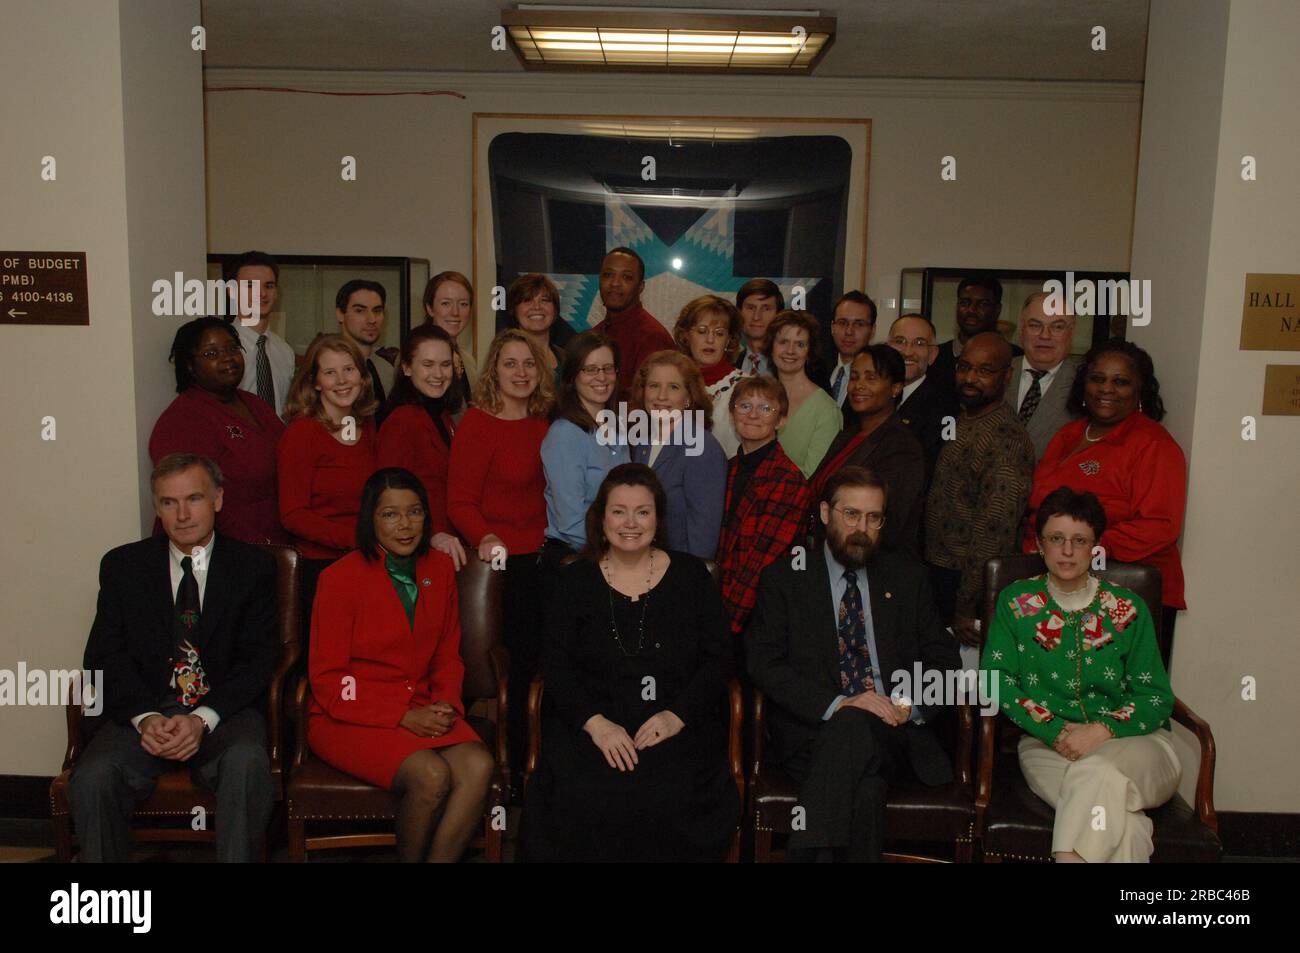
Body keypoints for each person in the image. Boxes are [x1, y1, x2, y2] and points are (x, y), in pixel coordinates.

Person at [521, 464, 739, 862]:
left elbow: (719, 658)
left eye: (643, 511)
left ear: (658, 518)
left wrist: (676, 716)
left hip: (674, 724)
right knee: (585, 794)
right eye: (619, 511)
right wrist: (597, 724)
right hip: (593, 725)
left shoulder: (691, 576)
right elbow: (555, 663)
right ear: (601, 518)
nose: (631, 523)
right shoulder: (574, 581)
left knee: (666, 795)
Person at [747, 466, 962, 862]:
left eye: (873, 517)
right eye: (852, 515)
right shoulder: (785, 579)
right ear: (827, 514)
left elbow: (945, 664)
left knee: (856, 730)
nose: (862, 528)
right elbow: (763, 662)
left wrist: (903, 705)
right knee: (866, 792)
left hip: (892, 734)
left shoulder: (908, 577)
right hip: (812, 732)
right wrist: (839, 704)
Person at [70, 454, 278, 862]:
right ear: (157, 508)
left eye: (194, 498)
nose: (182, 514)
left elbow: (259, 659)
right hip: (144, 714)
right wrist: (144, 718)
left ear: (218, 499)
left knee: (246, 765)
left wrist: (203, 718)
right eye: (168, 502)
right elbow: (104, 655)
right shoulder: (123, 566)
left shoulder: (253, 566)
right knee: (94, 777)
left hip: (223, 713)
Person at [983, 486, 1179, 863]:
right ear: (1040, 545)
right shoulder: (1016, 603)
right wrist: (1055, 730)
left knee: (1096, 773)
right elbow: (996, 680)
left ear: (1095, 547)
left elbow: (1155, 696)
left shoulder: (1127, 608)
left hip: (1139, 746)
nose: (1068, 551)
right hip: (1049, 747)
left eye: (1079, 540)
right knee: (1124, 823)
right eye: (1057, 539)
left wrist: (1101, 730)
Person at [308, 468, 495, 862]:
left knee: (478, 765)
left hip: (424, 704)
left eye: (415, 512)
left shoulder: (440, 568)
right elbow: (329, 680)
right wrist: (399, 716)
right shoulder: (338, 579)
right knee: (431, 775)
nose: (405, 525)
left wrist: (445, 704)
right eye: (390, 514)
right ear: (370, 519)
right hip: (348, 716)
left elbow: (447, 652)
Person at [1023, 340, 1186, 664]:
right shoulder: (1069, 434)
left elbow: (1159, 526)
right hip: (1058, 584)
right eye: (1098, 378)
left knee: (1111, 698)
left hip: (1126, 593)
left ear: (1140, 389)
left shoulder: (1153, 444)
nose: (1106, 389)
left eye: (1120, 381)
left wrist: (1080, 549)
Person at [447, 329, 553, 783]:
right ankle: (509, 774)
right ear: (494, 370)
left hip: (547, 558)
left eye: (529, 363)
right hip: (499, 567)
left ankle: (542, 766)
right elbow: (459, 502)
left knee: (542, 673)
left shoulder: (549, 422)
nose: (521, 372)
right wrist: (487, 539)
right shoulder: (478, 422)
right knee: (506, 675)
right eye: (510, 363)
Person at [924, 332, 1035, 647]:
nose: (971, 378)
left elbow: (994, 532)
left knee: (963, 688)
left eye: (985, 371)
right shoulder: (966, 418)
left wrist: (967, 607)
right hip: (941, 575)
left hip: (965, 584)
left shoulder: (1006, 439)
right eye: (964, 367)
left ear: (1007, 376)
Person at [149, 317, 287, 546]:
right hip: (224, 554)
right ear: (190, 366)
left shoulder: (254, 403)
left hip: (275, 545)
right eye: (212, 354)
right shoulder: (183, 419)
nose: (228, 359)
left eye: (233, 348)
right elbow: (189, 506)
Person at [278, 334, 379, 618]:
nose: (342, 380)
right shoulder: (301, 434)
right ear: (315, 382)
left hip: (370, 560)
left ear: (362, 375)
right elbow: (293, 514)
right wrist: (356, 538)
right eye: (330, 373)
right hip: (322, 568)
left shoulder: (367, 426)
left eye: (349, 369)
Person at [716, 376, 812, 637]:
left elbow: (758, 564)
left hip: (761, 615)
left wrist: (724, 628)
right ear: (732, 412)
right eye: (745, 406)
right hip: (723, 601)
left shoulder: (789, 481)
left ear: (781, 420)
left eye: (766, 408)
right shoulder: (731, 467)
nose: (753, 415)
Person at [809, 345, 925, 556]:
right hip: (825, 553)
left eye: (871, 378)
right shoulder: (849, 434)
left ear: (895, 388)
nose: (858, 386)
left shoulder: (902, 447)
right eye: (854, 377)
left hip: (866, 563)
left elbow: (888, 524)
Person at [376, 324, 468, 569]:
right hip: (417, 548)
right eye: (427, 365)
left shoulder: (444, 416)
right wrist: (434, 533)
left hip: (448, 546)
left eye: (445, 365)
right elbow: (391, 496)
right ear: (406, 367)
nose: (438, 374)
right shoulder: (401, 421)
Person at [540, 332, 629, 564]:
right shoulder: (565, 434)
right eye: (590, 369)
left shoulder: (616, 426)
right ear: (572, 377)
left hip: (614, 552)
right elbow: (571, 521)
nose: (601, 377)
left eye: (608, 368)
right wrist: (614, 554)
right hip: (577, 557)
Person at [628, 350, 727, 559]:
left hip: (678, 573)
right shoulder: (641, 440)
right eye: (654, 386)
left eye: (673, 387)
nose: (661, 396)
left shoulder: (702, 448)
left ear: (689, 397)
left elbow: (704, 536)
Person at [589, 247, 673, 404]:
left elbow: (651, 405)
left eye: (626, 277)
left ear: (640, 287)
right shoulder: (596, 333)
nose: (615, 283)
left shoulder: (652, 337)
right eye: (608, 275)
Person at [766, 309, 842, 478]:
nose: (790, 351)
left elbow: (814, 477)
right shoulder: (759, 396)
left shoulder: (826, 411)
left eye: (800, 344)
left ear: (809, 352)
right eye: (783, 342)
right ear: (771, 346)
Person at [1007, 291, 1083, 460]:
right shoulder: (997, 372)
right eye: (1035, 325)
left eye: (1057, 327)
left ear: (1072, 332)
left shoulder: (1086, 382)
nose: (1045, 335)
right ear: (1021, 329)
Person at [672, 293, 745, 458]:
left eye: (719, 333)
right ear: (686, 336)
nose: (710, 339)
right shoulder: (669, 384)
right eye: (702, 331)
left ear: (729, 341)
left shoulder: (746, 387)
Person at [928, 275, 1021, 404]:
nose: (971, 310)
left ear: (997, 309)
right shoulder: (935, 357)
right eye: (964, 303)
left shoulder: (1016, 357)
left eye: (982, 305)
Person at [887, 313, 958, 478]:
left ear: (932, 354)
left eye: (919, 343)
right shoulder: (870, 397)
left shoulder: (946, 407)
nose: (908, 351)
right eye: (900, 341)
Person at [227, 250, 295, 416]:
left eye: (269, 285)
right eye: (250, 286)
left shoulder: (285, 351)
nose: (262, 293)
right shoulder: (223, 349)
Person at [335, 278, 395, 410]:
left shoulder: (387, 369)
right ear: (340, 314)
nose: (372, 319)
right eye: (360, 311)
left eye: (377, 311)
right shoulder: (329, 369)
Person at [421, 270, 478, 400]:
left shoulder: (468, 360)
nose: (455, 312)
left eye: (463, 304)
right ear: (429, 308)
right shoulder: (413, 354)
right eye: (446, 303)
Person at [507, 272, 567, 385]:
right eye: (528, 300)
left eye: (544, 300)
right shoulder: (504, 357)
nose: (537, 307)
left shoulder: (565, 358)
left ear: (555, 309)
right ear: (514, 309)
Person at [823, 291, 876, 407]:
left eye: (859, 324)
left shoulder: (878, 377)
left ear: (872, 330)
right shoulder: (816, 369)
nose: (849, 331)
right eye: (842, 323)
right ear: (832, 327)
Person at [735, 277, 782, 376]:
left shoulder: (792, 363)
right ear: (739, 313)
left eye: (766, 309)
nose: (756, 317)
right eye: (750, 308)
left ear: (778, 315)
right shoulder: (730, 364)